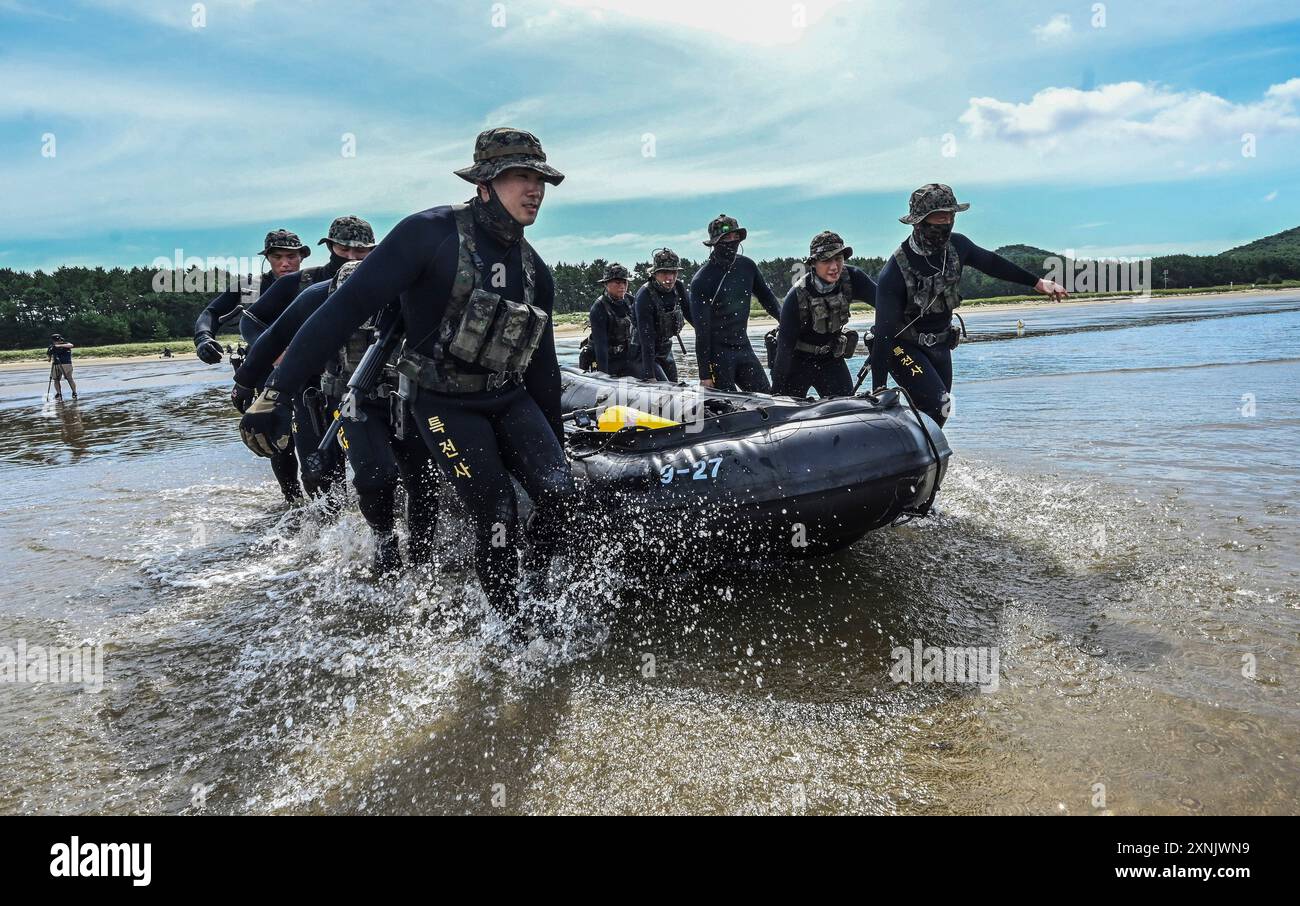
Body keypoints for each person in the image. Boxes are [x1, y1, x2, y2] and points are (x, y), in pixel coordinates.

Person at [239, 127, 574, 632]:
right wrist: (274, 392)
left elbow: (544, 370)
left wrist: (555, 442)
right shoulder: (428, 234)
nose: (534, 191)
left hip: (507, 395)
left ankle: (536, 587)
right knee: (497, 510)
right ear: (484, 184)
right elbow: (342, 311)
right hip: (443, 404)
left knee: (560, 494)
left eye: (540, 180)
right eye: (519, 177)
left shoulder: (534, 271)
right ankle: (511, 630)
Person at [234, 261, 438, 572]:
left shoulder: (414, 288)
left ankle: (423, 552)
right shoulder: (316, 295)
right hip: (351, 400)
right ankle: (384, 542)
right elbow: (276, 336)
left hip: (409, 397)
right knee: (374, 476)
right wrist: (249, 385)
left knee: (423, 478)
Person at [870, 184, 1068, 426]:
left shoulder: (958, 246)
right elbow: (883, 333)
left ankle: (922, 458)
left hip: (941, 345)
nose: (945, 223)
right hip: (904, 347)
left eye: (950, 217)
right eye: (938, 218)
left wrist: (1037, 282)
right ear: (918, 222)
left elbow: (993, 263)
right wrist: (878, 389)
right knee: (936, 402)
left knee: (943, 408)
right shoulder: (894, 271)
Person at [194, 229, 310, 503]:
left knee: (315, 433)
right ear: (267, 258)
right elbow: (211, 313)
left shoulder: (313, 282)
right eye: (278, 257)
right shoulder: (249, 287)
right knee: (279, 440)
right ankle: (292, 501)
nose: (285, 263)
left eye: (291, 256)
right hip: (265, 373)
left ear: (302, 257)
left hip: (310, 368)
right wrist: (203, 338)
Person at [771, 231, 875, 398]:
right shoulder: (796, 296)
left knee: (847, 411)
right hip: (797, 362)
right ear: (813, 263)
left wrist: (880, 331)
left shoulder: (853, 278)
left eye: (839, 259)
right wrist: (776, 394)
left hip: (831, 359)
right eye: (826, 260)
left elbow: (887, 307)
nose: (834, 267)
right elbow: (784, 350)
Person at [689, 214, 781, 392]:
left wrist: (787, 322)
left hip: (743, 347)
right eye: (726, 238)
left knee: (767, 397)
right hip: (718, 355)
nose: (732, 242)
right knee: (727, 407)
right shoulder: (702, 279)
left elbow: (768, 299)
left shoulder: (747, 266)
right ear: (715, 242)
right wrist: (704, 375)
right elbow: (702, 331)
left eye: (735, 237)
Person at [634, 248, 691, 382]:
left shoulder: (679, 288)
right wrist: (650, 376)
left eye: (673, 273)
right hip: (642, 352)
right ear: (655, 274)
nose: (670, 278)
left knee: (675, 385)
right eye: (665, 273)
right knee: (664, 387)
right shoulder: (644, 296)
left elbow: (692, 316)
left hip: (665, 349)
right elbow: (646, 339)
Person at [587, 263, 642, 378]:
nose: (622, 286)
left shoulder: (631, 301)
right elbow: (600, 347)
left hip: (626, 357)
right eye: (617, 282)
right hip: (604, 358)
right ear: (606, 284)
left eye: (624, 282)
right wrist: (604, 377)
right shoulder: (598, 308)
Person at [46, 334, 77, 400]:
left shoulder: (66, 344)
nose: (58, 341)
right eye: (56, 340)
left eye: (58, 340)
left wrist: (59, 346)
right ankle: (59, 393)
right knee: (56, 379)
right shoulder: (51, 347)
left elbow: (71, 345)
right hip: (56, 364)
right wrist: (52, 352)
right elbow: (49, 359)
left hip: (66, 364)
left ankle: (74, 392)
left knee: (69, 378)